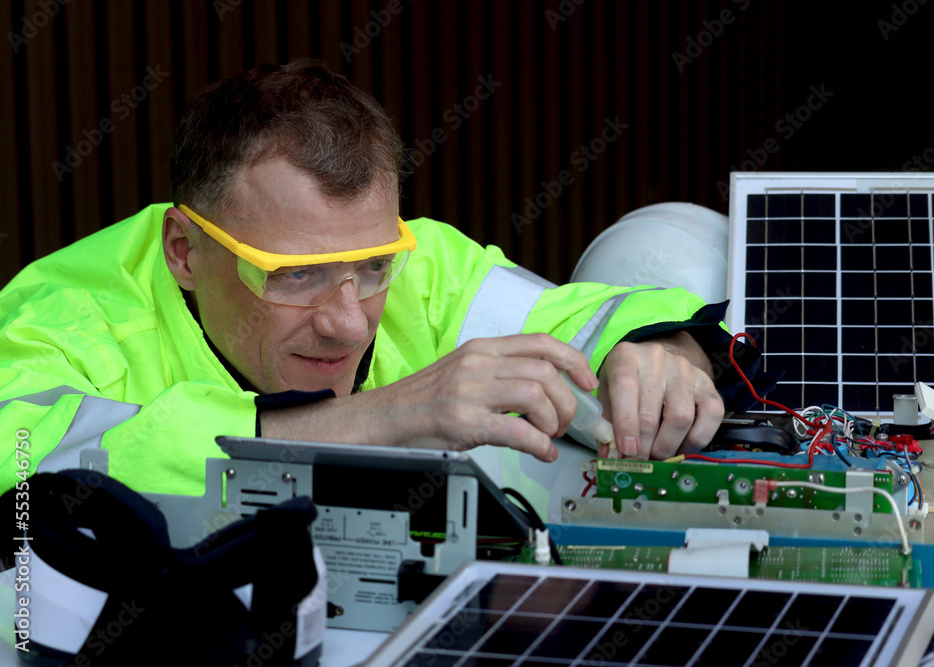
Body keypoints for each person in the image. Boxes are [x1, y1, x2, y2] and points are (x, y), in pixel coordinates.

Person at [0, 60, 765, 500]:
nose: (349, 322)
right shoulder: (69, 312)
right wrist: (374, 419)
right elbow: (22, 475)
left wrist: (669, 348)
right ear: (183, 250)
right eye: (294, 277)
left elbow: (598, 315)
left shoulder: (423, 265)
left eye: (370, 268)